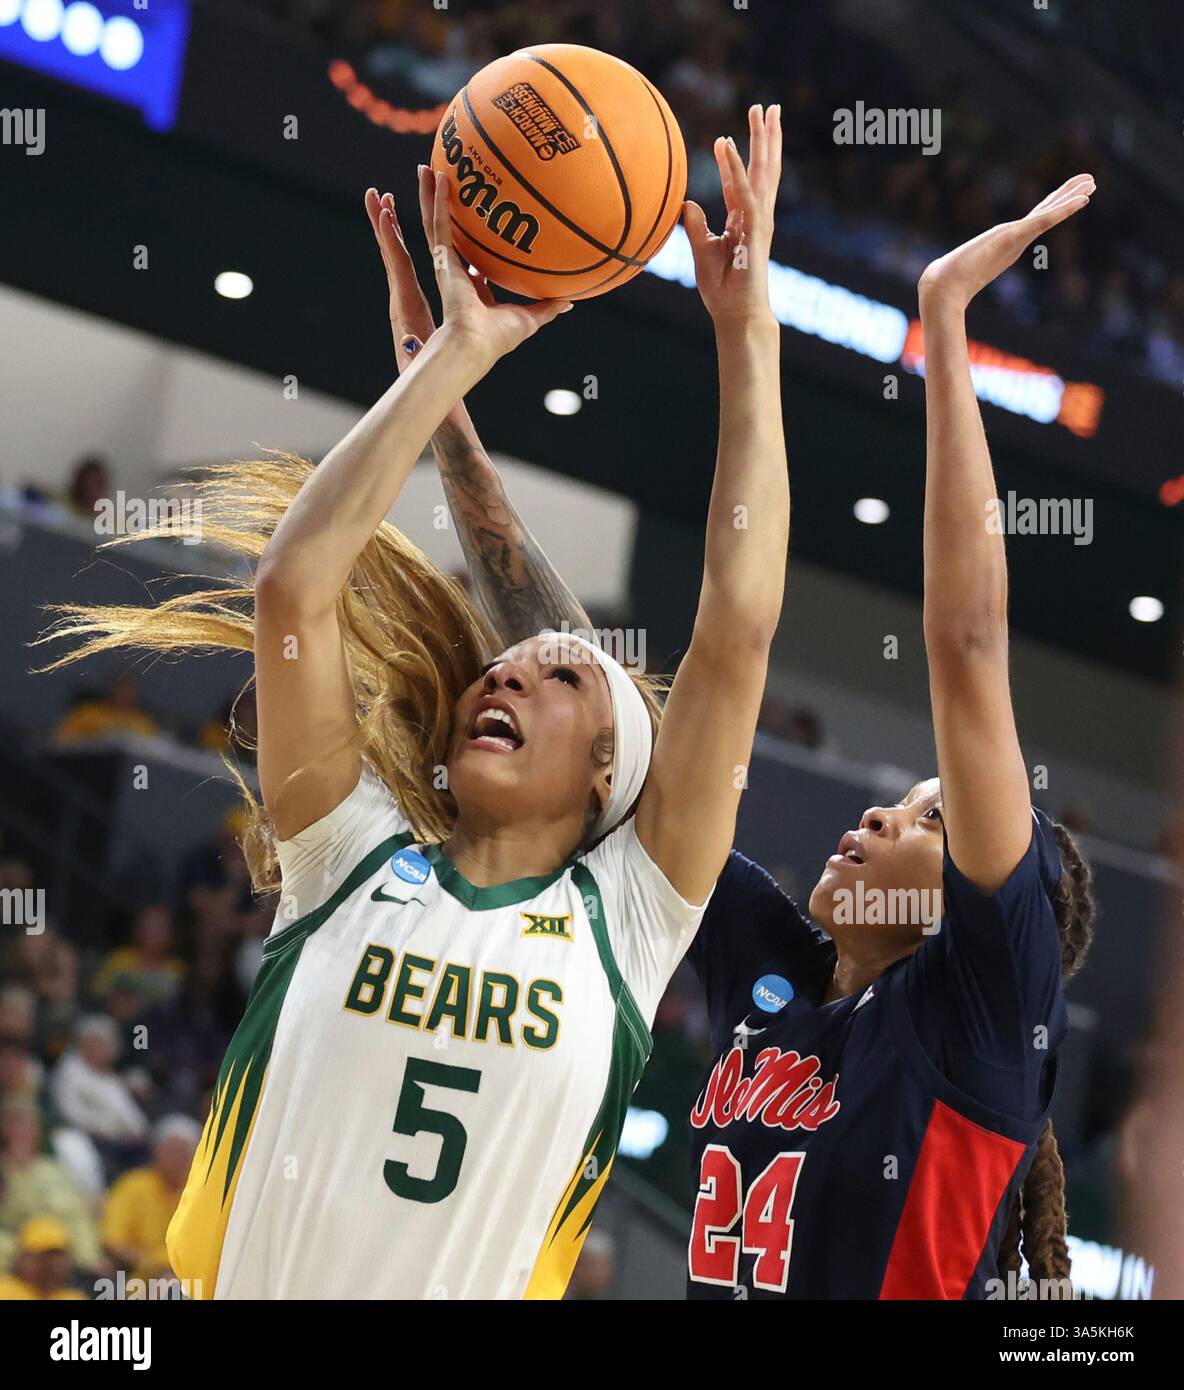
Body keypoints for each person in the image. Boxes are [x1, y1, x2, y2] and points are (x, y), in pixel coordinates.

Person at [38, 106, 789, 1299]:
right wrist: (453, 358)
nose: (505, 672)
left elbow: (736, 629)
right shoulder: (345, 851)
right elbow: (293, 586)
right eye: (506, 664)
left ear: (610, 774)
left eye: (558, 678)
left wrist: (748, 332)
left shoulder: (629, 919)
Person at [684, 175, 1099, 1299]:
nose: (875, 814)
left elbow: (964, 643)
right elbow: (597, 716)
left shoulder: (978, 1014)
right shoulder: (777, 977)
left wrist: (945, 322)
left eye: (932, 816)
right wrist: (742, 336)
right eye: (906, 802)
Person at [102, 1115, 200, 1279]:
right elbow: (113, 1243)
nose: (176, 1159)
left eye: (183, 1152)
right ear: (156, 1151)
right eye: (171, 1151)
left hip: (191, 1275)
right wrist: (153, 1264)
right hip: (141, 1277)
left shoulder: (196, 1192)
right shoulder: (133, 1186)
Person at [0, 1216, 87, 1300]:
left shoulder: (75, 1297)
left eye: (59, 1258)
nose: (52, 1266)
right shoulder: (4, 1292)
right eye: (44, 1257)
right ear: (23, 1259)